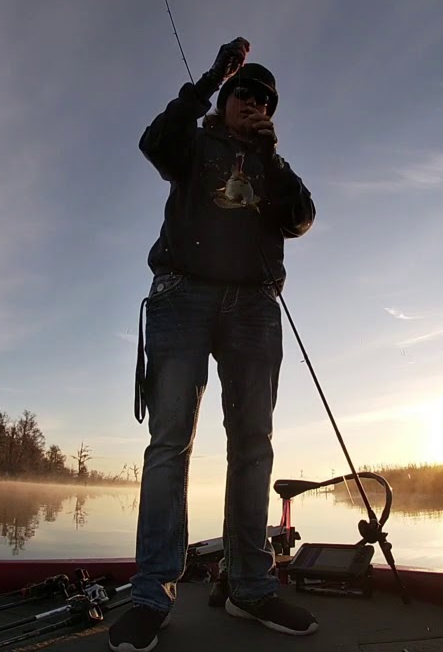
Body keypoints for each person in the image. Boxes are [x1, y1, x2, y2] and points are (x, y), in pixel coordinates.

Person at [109, 37, 318, 652]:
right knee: (170, 442)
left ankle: (248, 586)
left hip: (254, 306)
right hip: (182, 295)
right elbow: (153, 142)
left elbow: (300, 218)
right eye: (243, 93)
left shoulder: (273, 164)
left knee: (252, 444)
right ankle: (152, 595)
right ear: (225, 101)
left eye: (264, 100)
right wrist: (209, 78)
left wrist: (270, 154)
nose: (254, 103)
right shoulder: (194, 146)